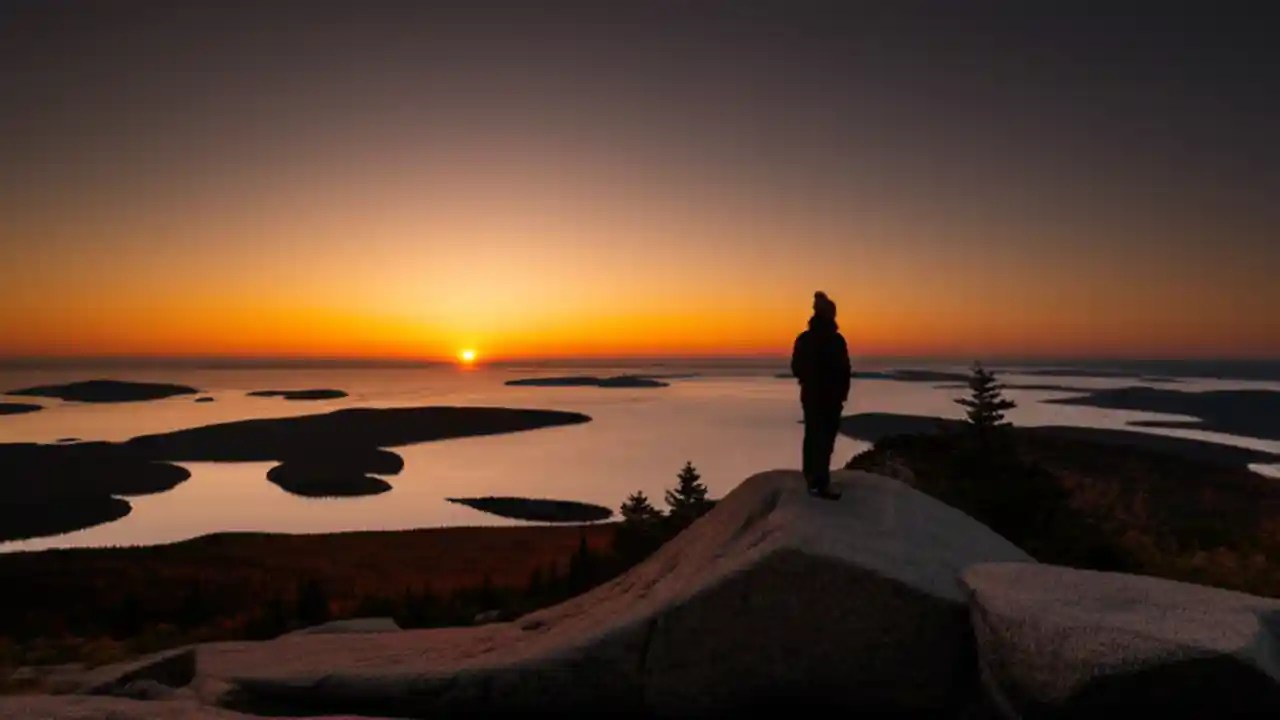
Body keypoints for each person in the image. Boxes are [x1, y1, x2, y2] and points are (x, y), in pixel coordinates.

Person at [790, 291, 851, 500]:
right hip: (825, 396)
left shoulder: (807, 339)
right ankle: (819, 482)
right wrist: (838, 391)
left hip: (817, 396)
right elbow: (844, 370)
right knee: (823, 438)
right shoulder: (834, 340)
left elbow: (797, 367)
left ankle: (813, 477)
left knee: (814, 436)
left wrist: (810, 381)